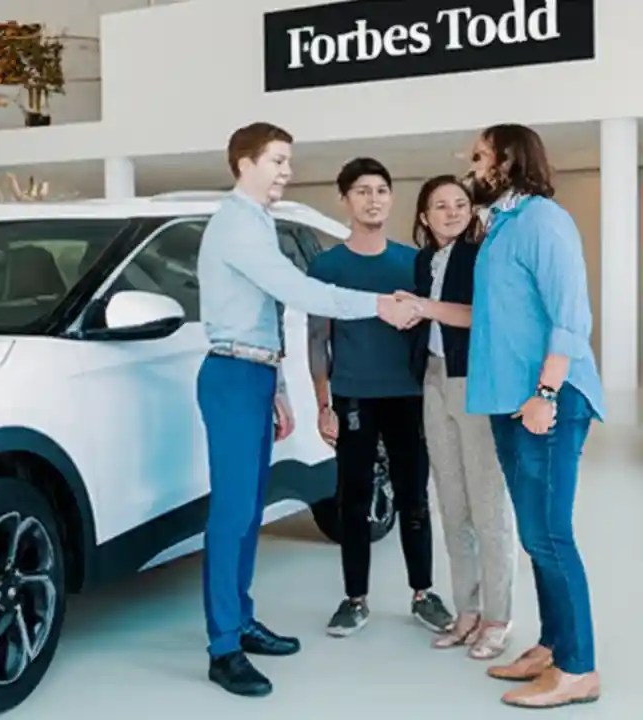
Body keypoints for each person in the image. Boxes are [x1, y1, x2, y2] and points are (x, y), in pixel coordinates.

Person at [195, 122, 420, 698]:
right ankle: (223, 647)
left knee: (247, 512)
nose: (286, 171)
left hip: (253, 372)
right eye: (277, 160)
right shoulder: (235, 223)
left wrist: (277, 387)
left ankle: (240, 621)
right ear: (243, 163)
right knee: (230, 514)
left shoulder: (256, 221)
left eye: (288, 161)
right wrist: (378, 305)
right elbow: (300, 293)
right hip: (230, 376)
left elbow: (263, 308)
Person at [458, 123, 602, 708]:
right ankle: (551, 646)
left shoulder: (543, 220)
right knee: (536, 538)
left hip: (546, 398)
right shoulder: (501, 225)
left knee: (550, 535)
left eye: (479, 156)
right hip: (507, 402)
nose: (471, 165)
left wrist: (545, 392)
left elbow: (571, 314)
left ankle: (579, 669)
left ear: (508, 160)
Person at [305, 158, 453, 639]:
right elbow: (316, 339)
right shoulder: (327, 266)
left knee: (413, 497)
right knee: (353, 500)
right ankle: (355, 598)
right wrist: (322, 403)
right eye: (363, 191)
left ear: (391, 199)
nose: (374, 199)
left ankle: (423, 593)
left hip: (408, 396)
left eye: (382, 191)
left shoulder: (413, 260)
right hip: (352, 396)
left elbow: (432, 329)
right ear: (345, 200)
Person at [399, 175, 518, 660]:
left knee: (487, 504)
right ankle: (465, 612)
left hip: (474, 380)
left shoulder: (481, 254)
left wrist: (423, 307)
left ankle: (497, 616)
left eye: (460, 203)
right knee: (450, 502)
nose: (452, 211)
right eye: (440, 206)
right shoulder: (425, 259)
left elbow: (480, 314)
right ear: (424, 217)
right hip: (432, 380)